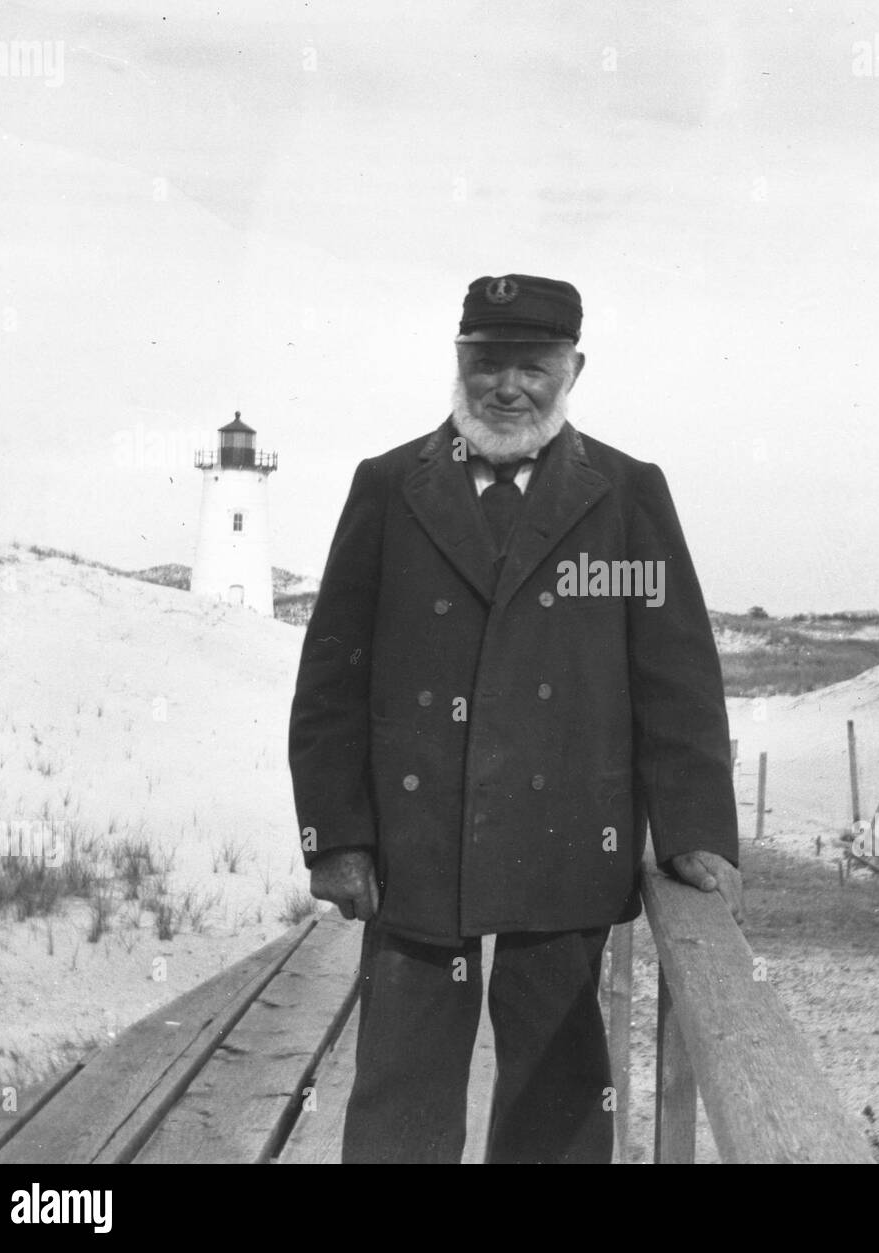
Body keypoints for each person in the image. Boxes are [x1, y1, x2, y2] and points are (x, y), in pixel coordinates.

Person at [288, 273, 741, 1164]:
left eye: (532, 366)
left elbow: (676, 680)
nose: (507, 387)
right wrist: (334, 835)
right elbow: (332, 680)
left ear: (573, 369)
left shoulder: (626, 492)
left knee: (559, 1089)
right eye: (488, 362)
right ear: (459, 363)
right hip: (415, 846)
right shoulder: (388, 485)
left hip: (565, 840)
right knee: (400, 1085)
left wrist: (695, 833)